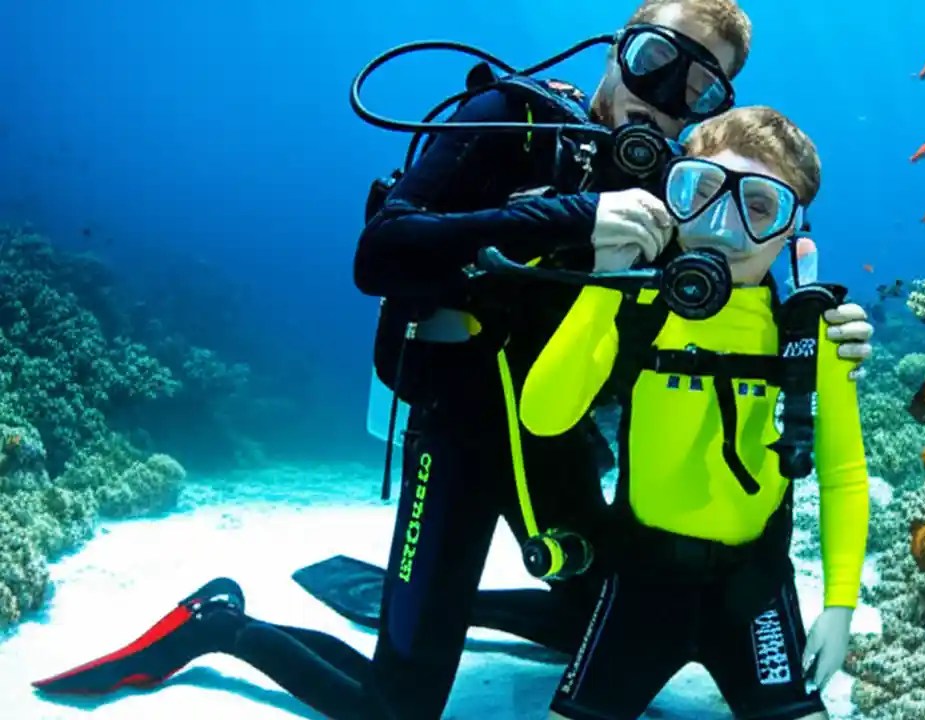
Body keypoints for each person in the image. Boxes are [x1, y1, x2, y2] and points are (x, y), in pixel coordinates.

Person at [30, 2, 874, 718]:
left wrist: (829, 325)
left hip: (561, 439)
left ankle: (443, 604)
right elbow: (381, 253)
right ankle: (223, 624)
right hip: (462, 432)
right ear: (619, 46)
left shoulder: (682, 191)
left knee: (618, 619)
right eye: (657, 62)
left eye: (699, 88)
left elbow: (755, 283)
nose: (666, 100)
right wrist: (569, 220)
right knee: (399, 707)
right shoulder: (513, 119)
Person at [518, 105, 870, 720]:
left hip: (753, 588)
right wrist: (604, 285)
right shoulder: (636, 306)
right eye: (700, 191)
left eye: (758, 207)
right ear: (670, 195)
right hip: (638, 579)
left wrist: (839, 605)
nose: (722, 225)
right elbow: (543, 416)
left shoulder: (812, 336)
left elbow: (843, 474)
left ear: (793, 232)